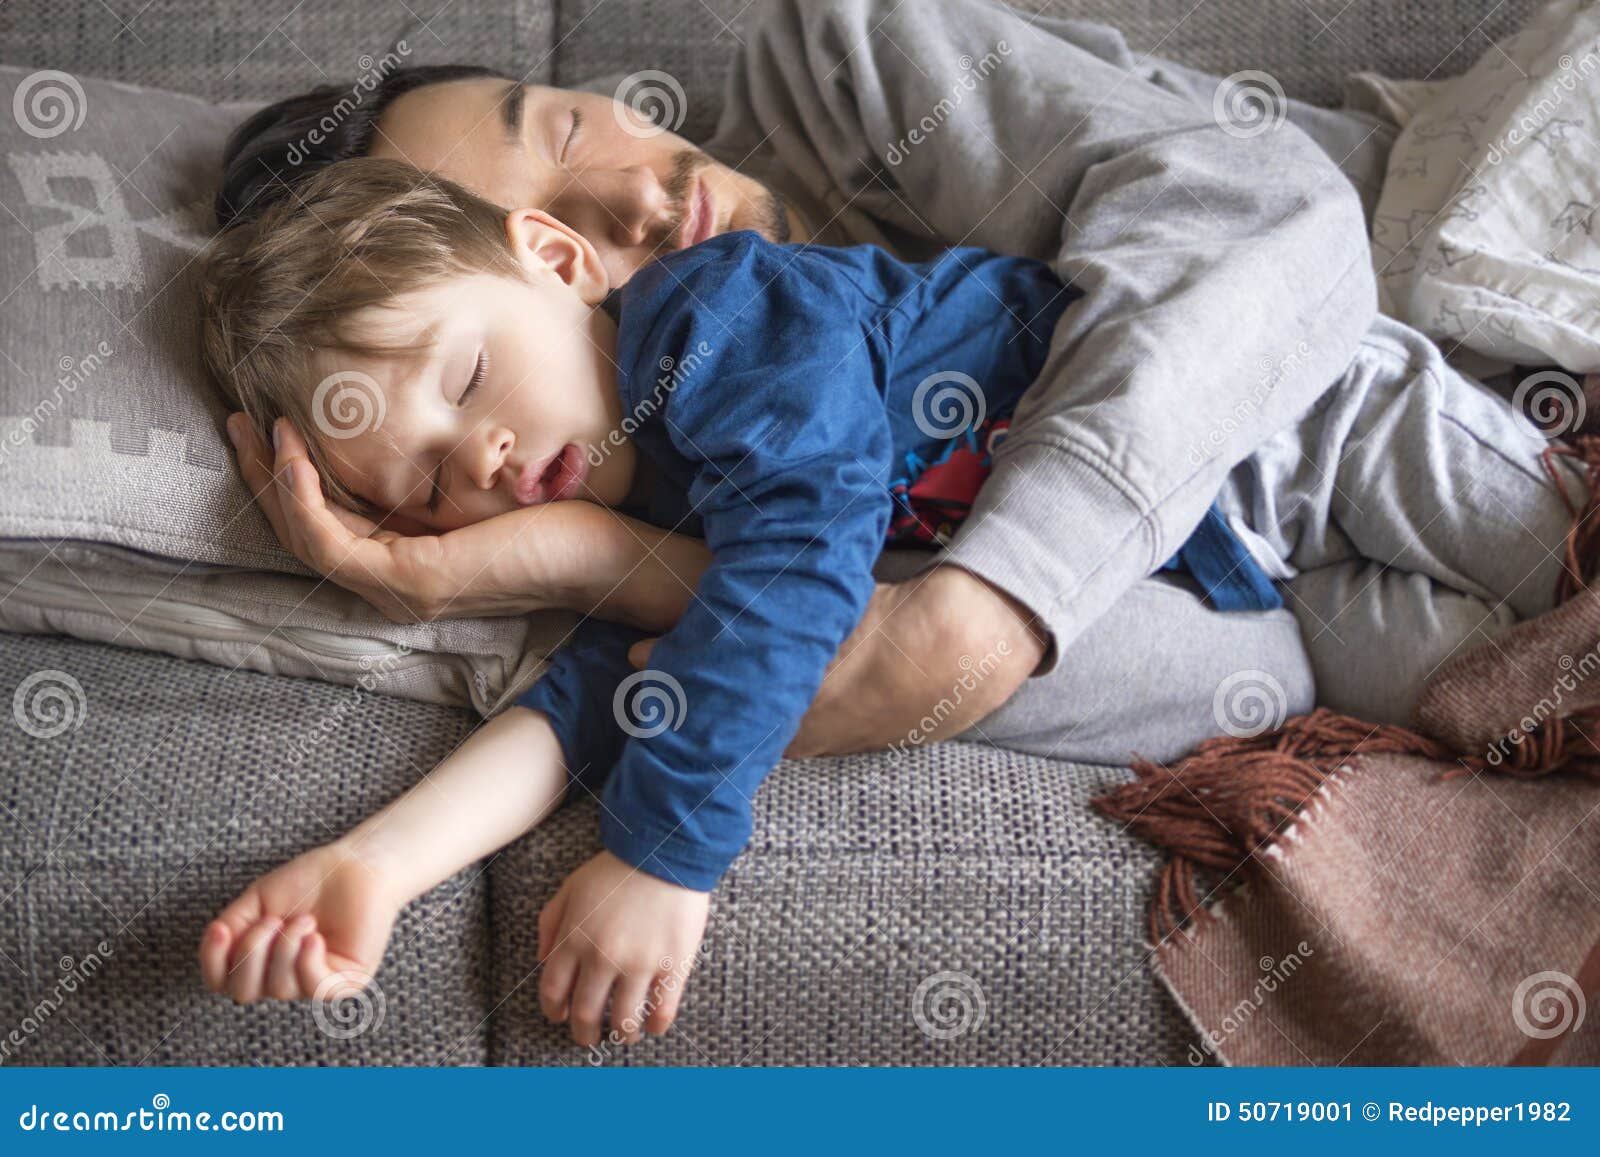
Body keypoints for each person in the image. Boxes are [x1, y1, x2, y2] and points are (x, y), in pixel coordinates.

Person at [196, 157, 1585, 1046]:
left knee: (1565, 563)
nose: (483, 461)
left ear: (557, 264)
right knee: (1502, 700)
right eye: (432, 483)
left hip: (1290, 423)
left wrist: (669, 850)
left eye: (463, 385)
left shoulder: (718, 317)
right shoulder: (629, 530)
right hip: (1239, 587)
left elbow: (801, 548)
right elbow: (586, 705)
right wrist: (373, 868)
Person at [214, 0, 1402, 767]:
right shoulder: (633, 469)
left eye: (570, 132)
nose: (637, 205)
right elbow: (1261, 668)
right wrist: (592, 561)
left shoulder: (841, 62)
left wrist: (977, 609)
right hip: (1308, 566)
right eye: (558, 225)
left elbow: (1265, 210)